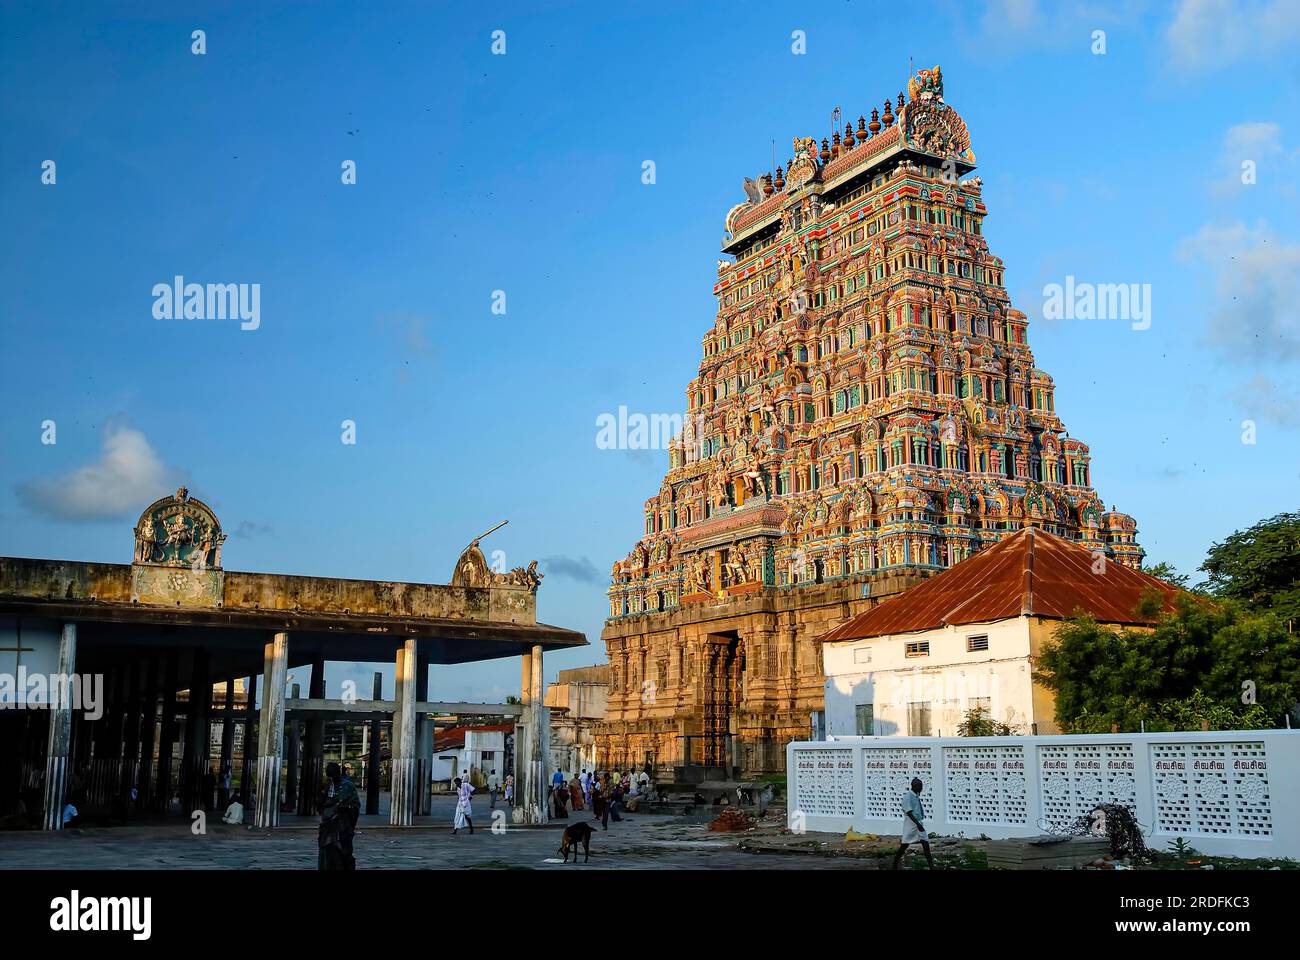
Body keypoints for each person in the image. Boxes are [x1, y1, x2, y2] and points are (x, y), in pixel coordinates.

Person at [318, 761, 360, 870]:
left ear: (338, 774)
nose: (331, 779)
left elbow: (355, 805)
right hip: (328, 825)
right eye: (329, 777)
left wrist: (342, 808)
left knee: (343, 852)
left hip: (343, 825)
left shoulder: (347, 786)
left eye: (333, 777)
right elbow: (321, 802)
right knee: (327, 850)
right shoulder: (327, 785)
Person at [892, 778, 935, 870]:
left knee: (925, 843)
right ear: (914, 786)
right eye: (920, 786)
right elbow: (909, 812)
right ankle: (894, 864)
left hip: (918, 823)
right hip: (911, 824)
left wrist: (919, 824)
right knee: (904, 845)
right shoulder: (908, 797)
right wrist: (918, 825)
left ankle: (931, 866)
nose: (921, 788)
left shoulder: (916, 795)